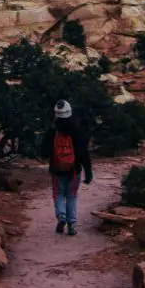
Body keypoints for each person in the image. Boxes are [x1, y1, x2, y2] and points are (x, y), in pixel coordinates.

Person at [42, 99, 93, 236]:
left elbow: (44, 151)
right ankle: (72, 225)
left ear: (56, 114)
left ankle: (61, 216)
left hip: (57, 170)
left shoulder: (52, 132)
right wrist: (88, 173)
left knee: (58, 194)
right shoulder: (76, 131)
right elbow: (83, 153)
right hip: (74, 170)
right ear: (70, 112)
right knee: (72, 196)